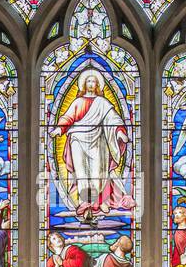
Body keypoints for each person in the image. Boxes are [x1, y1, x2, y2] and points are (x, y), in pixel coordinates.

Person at [50, 69, 133, 219]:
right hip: (77, 140)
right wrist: (59, 129)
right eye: (88, 81)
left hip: (98, 141)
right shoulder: (78, 102)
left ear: (97, 84)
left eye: (93, 81)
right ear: (84, 84)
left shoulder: (103, 103)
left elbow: (113, 119)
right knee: (81, 173)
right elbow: (68, 117)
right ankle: (84, 203)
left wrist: (120, 132)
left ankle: (98, 202)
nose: (90, 84)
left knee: (97, 173)